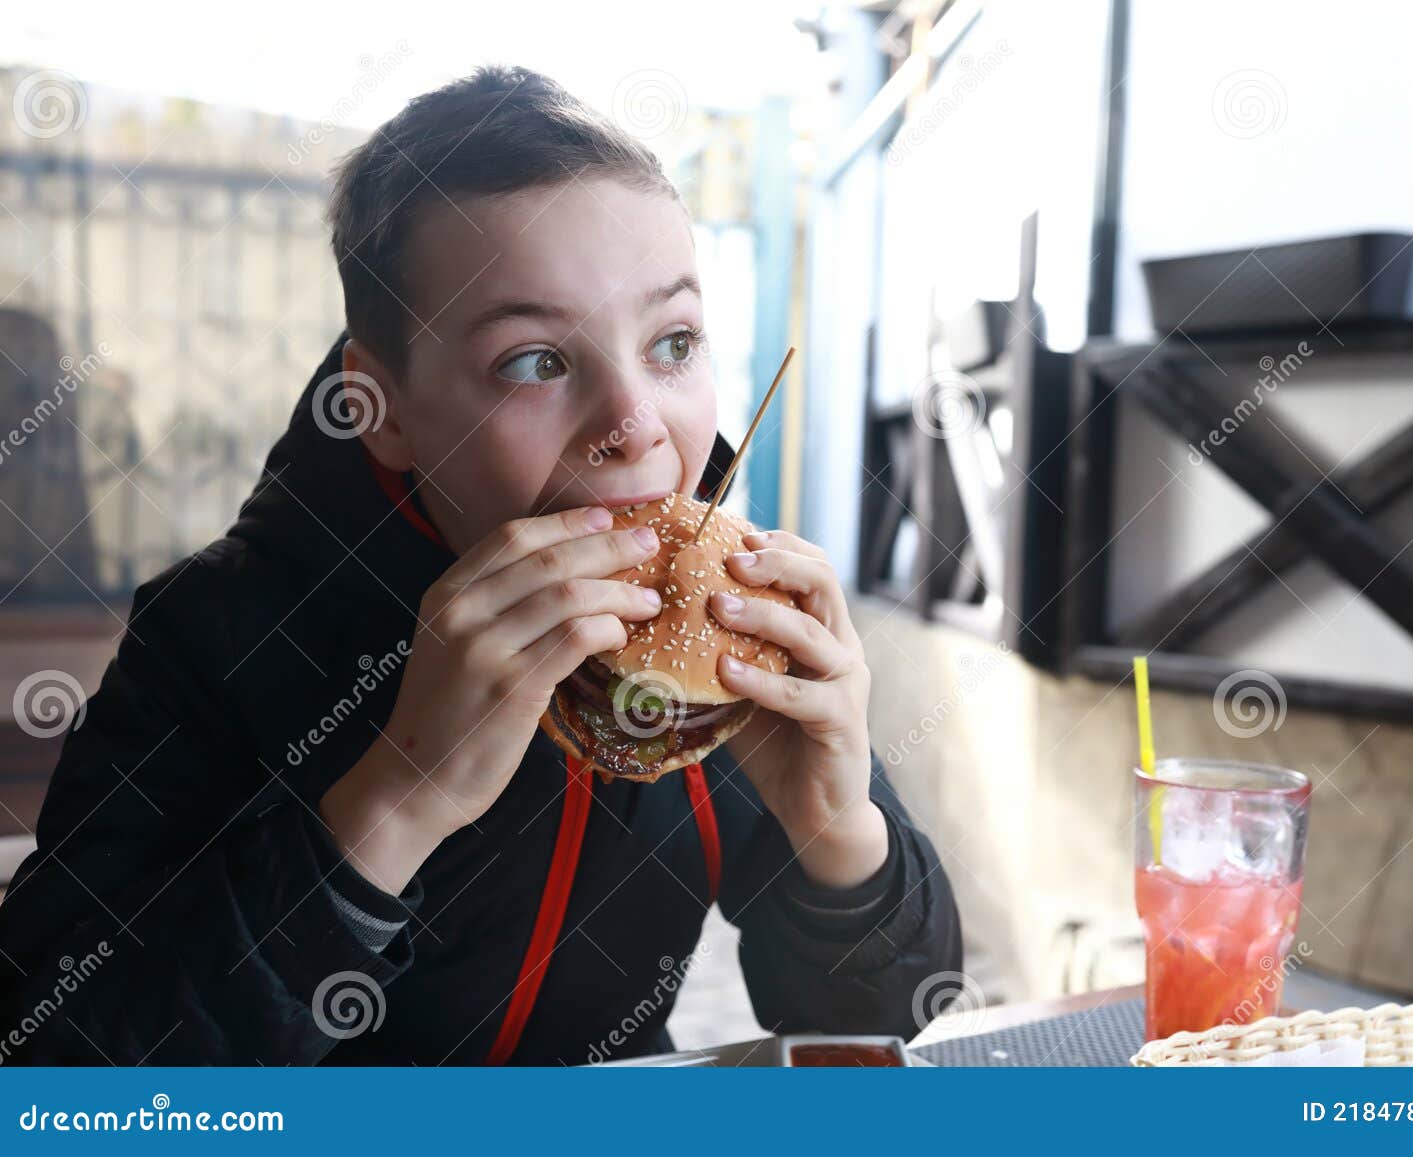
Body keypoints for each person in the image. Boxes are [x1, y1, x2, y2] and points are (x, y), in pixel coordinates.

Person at [0, 65, 961, 1065]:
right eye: (536, 360)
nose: (635, 425)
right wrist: (393, 805)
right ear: (383, 408)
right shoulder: (213, 632)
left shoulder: (722, 621)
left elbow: (876, 1022)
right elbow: (49, 1080)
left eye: (671, 341)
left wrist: (840, 831)